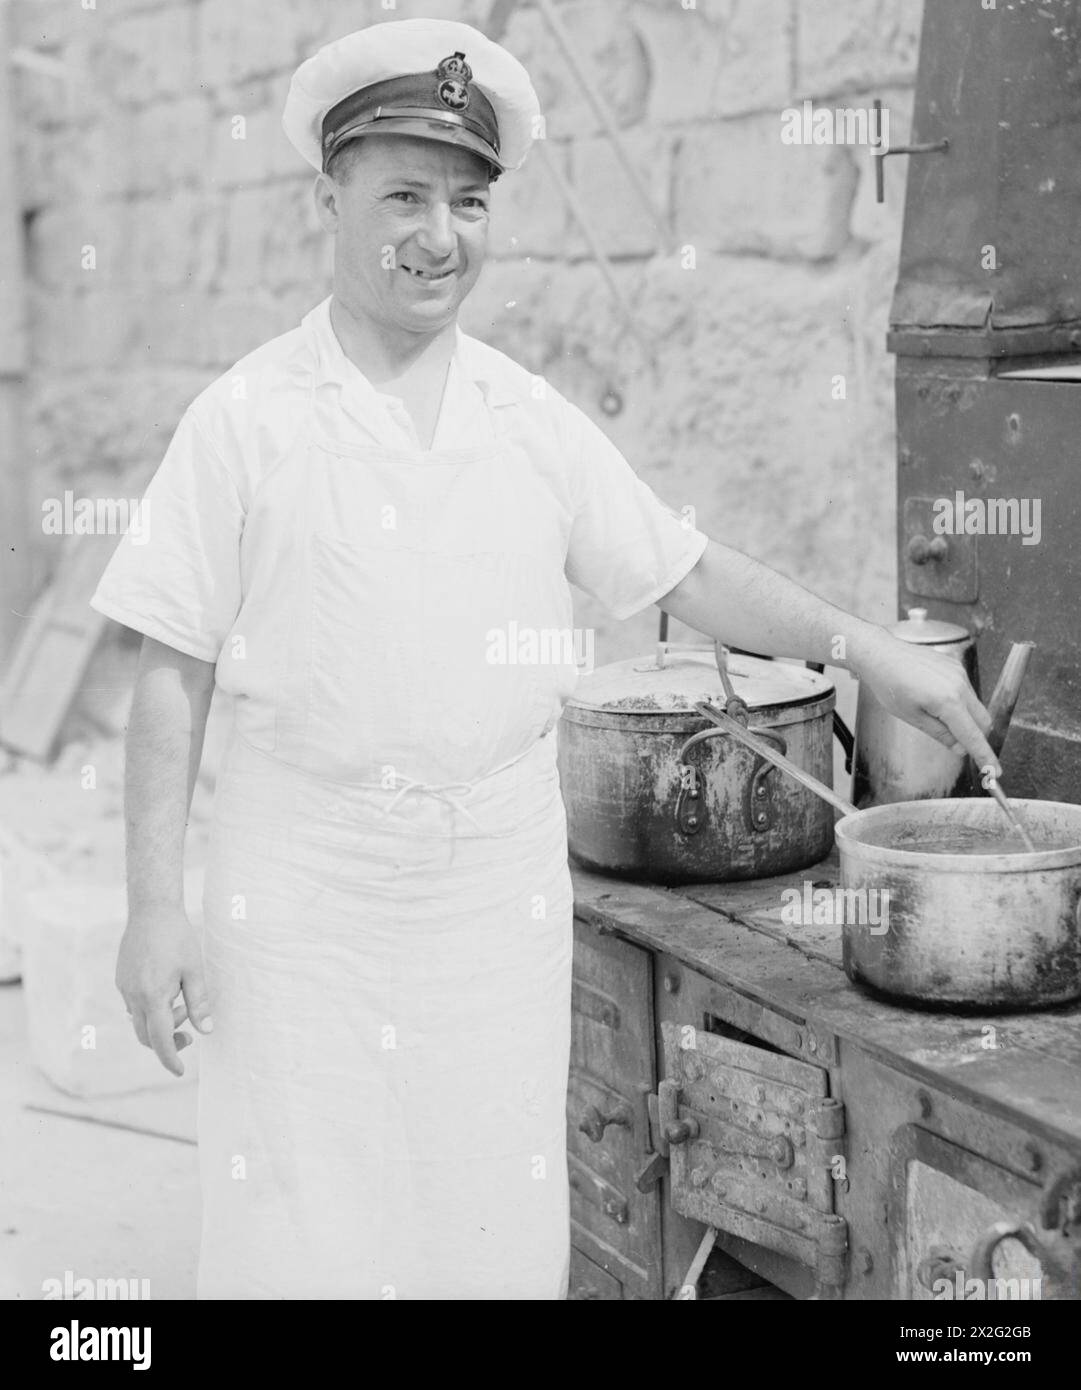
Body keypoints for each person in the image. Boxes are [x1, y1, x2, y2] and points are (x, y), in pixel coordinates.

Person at [90, 18, 997, 1300]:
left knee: (485, 1221)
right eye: (403, 195)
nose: (438, 234)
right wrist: (154, 910)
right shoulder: (245, 419)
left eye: (467, 201)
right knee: (303, 1222)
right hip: (305, 888)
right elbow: (169, 671)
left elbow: (684, 570)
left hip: (488, 892)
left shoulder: (527, 418)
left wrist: (861, 652)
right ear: (328, 199)